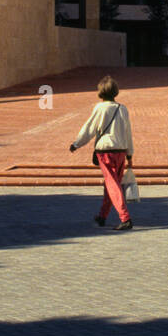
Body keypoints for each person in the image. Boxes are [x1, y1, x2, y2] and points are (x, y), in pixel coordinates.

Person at [69, 75, 135, 231]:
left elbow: (89, 128)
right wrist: (130, 154)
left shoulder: (99, 108)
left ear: (101, 92)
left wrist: (77, 143)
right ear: (115, 92)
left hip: (105, 151)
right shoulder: (122, 108)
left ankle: (125, 218)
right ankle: (102, 216)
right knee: (111, 184)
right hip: (120, 151)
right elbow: (128, 133)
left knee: (112, 185)